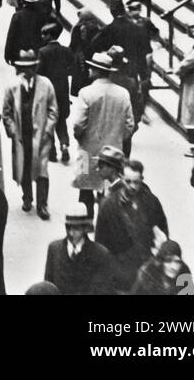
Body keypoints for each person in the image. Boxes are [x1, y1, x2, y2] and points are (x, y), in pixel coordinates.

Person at [71, 51, 136, 214]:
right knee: (108, 190)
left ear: (96, 71)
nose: (89, 70)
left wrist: (81, 138)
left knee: (85, 189)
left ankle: (86, 223)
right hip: (113, 154)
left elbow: (78, 124)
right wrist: (118, 139)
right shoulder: (122, 94)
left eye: (92, 68)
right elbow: (129, 125)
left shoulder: (86, 93)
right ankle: (104, 224)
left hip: (87, 151)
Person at [95, 157, 169, 293]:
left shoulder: (152, 202)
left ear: (142, 179)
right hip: (121, 272)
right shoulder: (108, 206)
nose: (133, 186)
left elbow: (163, 231)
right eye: (128, 181)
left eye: (136, 182)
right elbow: (100, 243)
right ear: (121, 177)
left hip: (147, 269)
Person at [2, 50, 58, 220]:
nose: (27, 71)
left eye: (31, 67)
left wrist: (48, 130)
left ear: (35, 67)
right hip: (21, 135)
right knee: (24, 167)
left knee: (42, 171)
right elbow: (6, 112)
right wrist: (12, 130)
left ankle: (42, 205)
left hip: (41, 136)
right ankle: (27, 198)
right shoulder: (12, 86)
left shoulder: (46, 85)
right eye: (23, 67)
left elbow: (53, 111)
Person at [43, 204, 114, 296]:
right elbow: (48, 287)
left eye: (76, 228)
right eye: (68, 227)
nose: (71, 233)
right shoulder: (54, 249)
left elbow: (103, 289)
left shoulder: (100, 254)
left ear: (85, 228)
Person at [37, 21, 73, 163]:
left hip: (47, 91)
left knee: (48, 121)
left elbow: (39, 72)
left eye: (44, 34)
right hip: (63, 91)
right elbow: (72, 66)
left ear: (50, 35)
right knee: (61, 121)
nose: (42, 37)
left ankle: (51, 152)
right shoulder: (66, 51)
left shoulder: (43, 52)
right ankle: (64, 145)